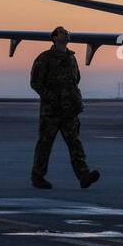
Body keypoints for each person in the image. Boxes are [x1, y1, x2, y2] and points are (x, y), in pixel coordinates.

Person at [29, 27, 99, 189]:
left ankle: (84, 176)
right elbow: (35, 83)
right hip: (51, 112)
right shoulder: (45, 58)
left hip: (70, 111)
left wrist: (71, 98)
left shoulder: (71, 58)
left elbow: (76, 79)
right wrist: (52, 98)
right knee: (45, 145)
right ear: (54, 37)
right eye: (62, 32)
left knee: (75, 144)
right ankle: (37, 176)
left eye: (67, 32)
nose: (66, 34)